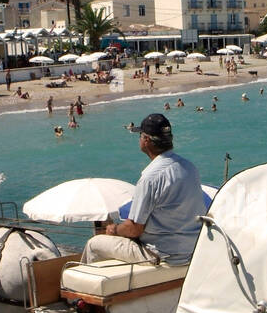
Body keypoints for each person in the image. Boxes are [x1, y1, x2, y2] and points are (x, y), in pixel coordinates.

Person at [79, 114, 205, 266]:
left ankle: (73, 288)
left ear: (146, 140)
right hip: (192, 250)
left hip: (161, 254)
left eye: (140, 135)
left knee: (95, 244)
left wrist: (114, 229)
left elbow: (134, 229)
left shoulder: (150, 177)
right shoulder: (189, 167)